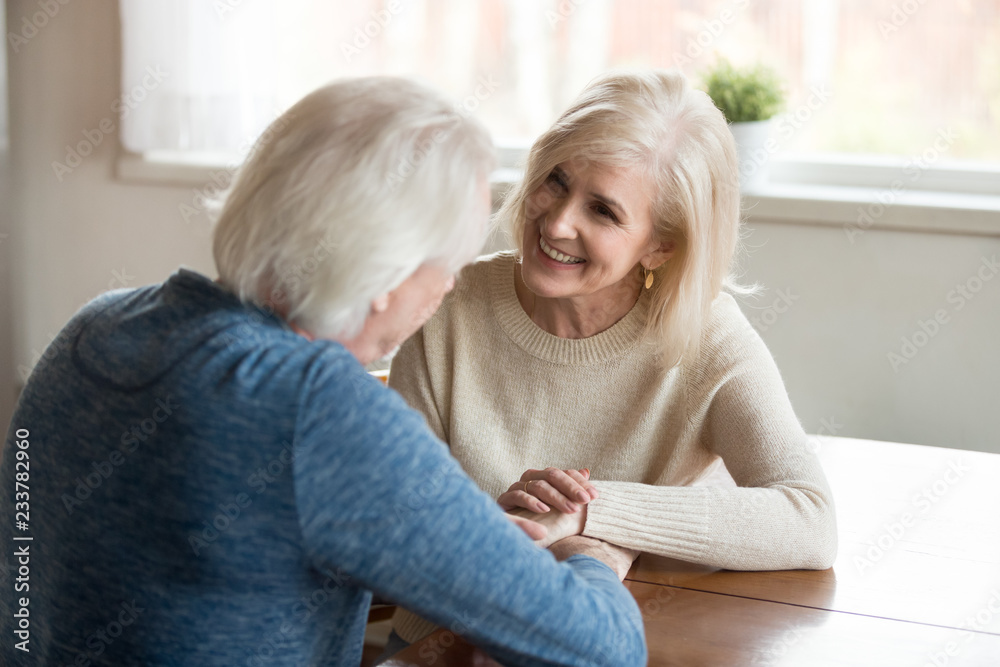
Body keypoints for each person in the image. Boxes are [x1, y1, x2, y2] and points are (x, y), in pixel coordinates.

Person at [0, 77, 647, 667]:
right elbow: (601, 648)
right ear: (386, 276)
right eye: (450, 260)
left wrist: (458, 542)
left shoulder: (93, 327)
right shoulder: (317, 405)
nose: (451, 285)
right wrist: (594, 554)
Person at [386, 69, 839, 647]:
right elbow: (392, 532)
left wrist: (590, 517)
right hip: (444, 646)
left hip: (621, 644)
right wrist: (490, 531)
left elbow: (809, 519)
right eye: (555, 180)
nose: (556, 222)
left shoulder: (707, 336)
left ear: (661, 245)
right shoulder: (450, 305)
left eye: (602, 210)